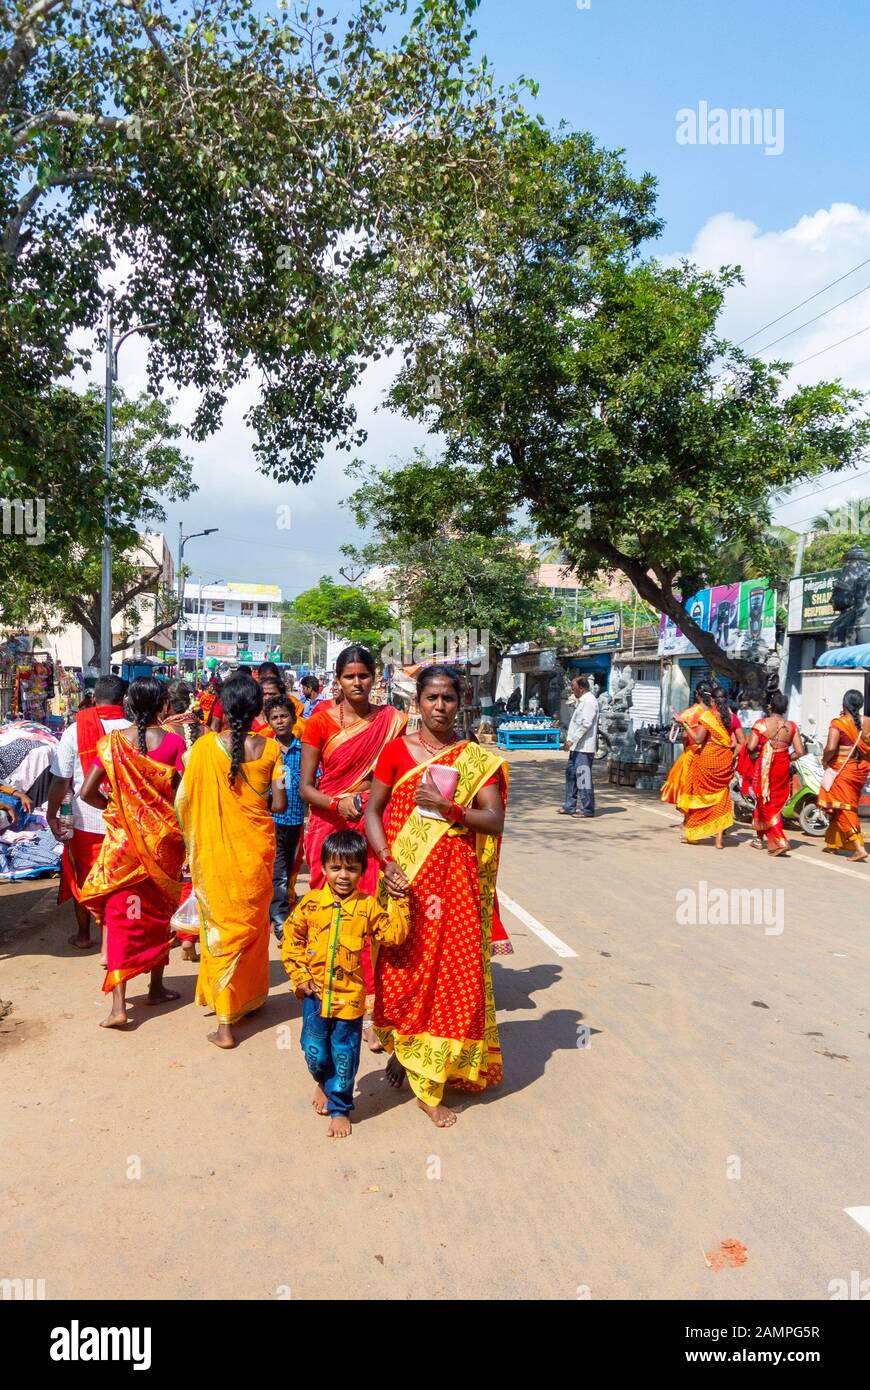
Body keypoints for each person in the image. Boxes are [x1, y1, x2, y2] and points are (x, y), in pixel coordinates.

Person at [365, 665, 509, 1128]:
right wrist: (387, 862)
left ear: (460, 702)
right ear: (418, 702)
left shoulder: (474, 758)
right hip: (405, 882)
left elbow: (494, 820)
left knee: (453, 972)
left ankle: (431, 1076)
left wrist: (449, 808)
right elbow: (372, 813)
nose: (440, 706)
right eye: (432, 698)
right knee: (404, 972)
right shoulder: (395, 752)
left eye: (448, 698)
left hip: (455, 884)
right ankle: (407, 1054)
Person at [300, 645, 407, 1050]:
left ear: (375, 677)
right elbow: (306, 787)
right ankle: (326, 996)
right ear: (338, 679)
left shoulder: (392, 721)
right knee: (329, 914)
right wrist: (337, 803)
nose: (358, 683)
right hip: (330, 824)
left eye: (364, 676)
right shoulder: (319, 722)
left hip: (376, 822)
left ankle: (368, 1007)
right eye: (350, 676)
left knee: (368, 915)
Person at [175, 673, 287, 1048]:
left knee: (223, 931)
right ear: (259, 710)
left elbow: (183, 801)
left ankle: (225, 1024)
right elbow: (280, 804)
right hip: (255, 852)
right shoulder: (271, 751)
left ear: (223, 706)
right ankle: (249, 1000)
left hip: (216, 855)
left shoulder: (204, 749)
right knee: (252, 929)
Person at [281, 830, 410, 1138]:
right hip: (314, 996)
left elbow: (393, 936)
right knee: (313, 1050)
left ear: (362, 872)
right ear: (323, 868)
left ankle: (340, 1107)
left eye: (351, 868)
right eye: (336, 867)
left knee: (344, 1054)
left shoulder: (367, 908)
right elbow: (291, 940)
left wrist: (400, 902)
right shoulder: (311, 904)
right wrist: (300, 977)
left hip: (350, 1001)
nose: (343, 875)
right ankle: (321, 1080)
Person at [77, 677, 186, 1028]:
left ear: (128, 705)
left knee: (122, 922)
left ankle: (118, 1006)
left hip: (122, 849)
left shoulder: (110, 744)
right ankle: (155, 987)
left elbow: (87, 792)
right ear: (162, 706)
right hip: (163, 846)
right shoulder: (173, 743)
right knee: (158, 916)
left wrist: (115, 806)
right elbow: (181, 797)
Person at [46, 674, 130, 952]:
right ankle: (114, 939)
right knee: (119, 880)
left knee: (85, 879)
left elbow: (61, 779)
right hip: (124, 821)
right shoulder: (133, 730)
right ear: (124, 700)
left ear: (94, 699)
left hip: (86, 820)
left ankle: (84, 933)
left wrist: (52, 814)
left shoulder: (74, 730)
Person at [664, 679, 735, 848]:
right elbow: (739, 741)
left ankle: (693, 831)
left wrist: (684, 725)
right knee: (721, 796)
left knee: (698, 796)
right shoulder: (732, 717)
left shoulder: (703, 715)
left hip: (703, 758)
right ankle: (719, 839)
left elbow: (695, 738)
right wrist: (732, 756)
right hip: (725, 761)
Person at [745, 691, 804, 856]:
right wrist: (787, 758)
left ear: (770, 706)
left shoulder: (762, 723)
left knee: (764, 799)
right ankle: (759, 839)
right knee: (774, 801)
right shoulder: (791, 726)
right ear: (785, 709)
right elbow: (799, 751)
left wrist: (759, 753)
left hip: (764, 766)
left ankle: (779, 840)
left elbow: (751, 746)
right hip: (782, 766)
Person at [267, 694, 305, 941]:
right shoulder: (266, 749)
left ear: (293, 718)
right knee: (278, 869)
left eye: (283, 716)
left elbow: (314, 778)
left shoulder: (304, 749)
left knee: (290, 867)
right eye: (274, 718)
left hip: (297, 817)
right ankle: (279, 920)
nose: (280, 721)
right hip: (272, 819)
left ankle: (279, 911)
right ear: (269, 722)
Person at [818, 689, 870, 862]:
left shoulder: (838, 723)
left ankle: (858, 846)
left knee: (844, 807)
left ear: (844, 704)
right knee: (840, 805)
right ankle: (833, 843)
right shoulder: (868, 722)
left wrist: (825, 760)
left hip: (841, 770)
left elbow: (831, 748)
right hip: (859, 770)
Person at [560, 675, 599, 818]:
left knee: (583, 778)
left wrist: (572, 740)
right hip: (576, 747)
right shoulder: (581, 701)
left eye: (574, 687)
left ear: (581, 688)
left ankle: (587, 809)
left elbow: (585, 724)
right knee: (571, 775)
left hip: (584, 748)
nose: (572, 690)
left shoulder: (589, 702)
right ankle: (569, 805)